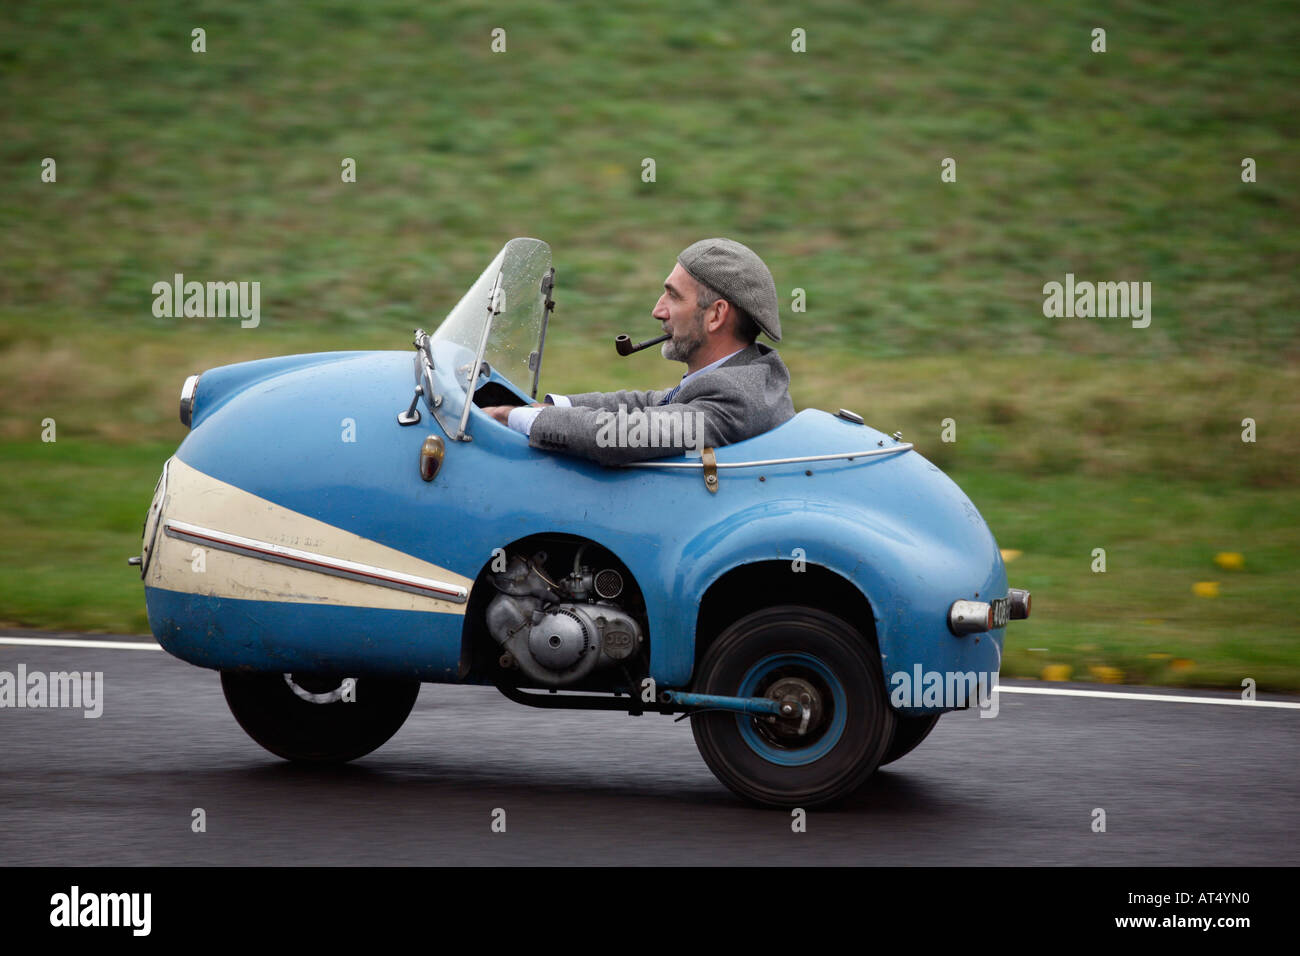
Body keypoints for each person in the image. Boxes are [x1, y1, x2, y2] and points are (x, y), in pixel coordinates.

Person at [482, 238, 795, 465]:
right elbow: (650, 403)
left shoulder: (737, 398)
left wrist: (512, 417)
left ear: (716, 315)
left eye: (673, 297)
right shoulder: (736, 376)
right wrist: (551, 406)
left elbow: (616, 436)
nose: (657, 311)